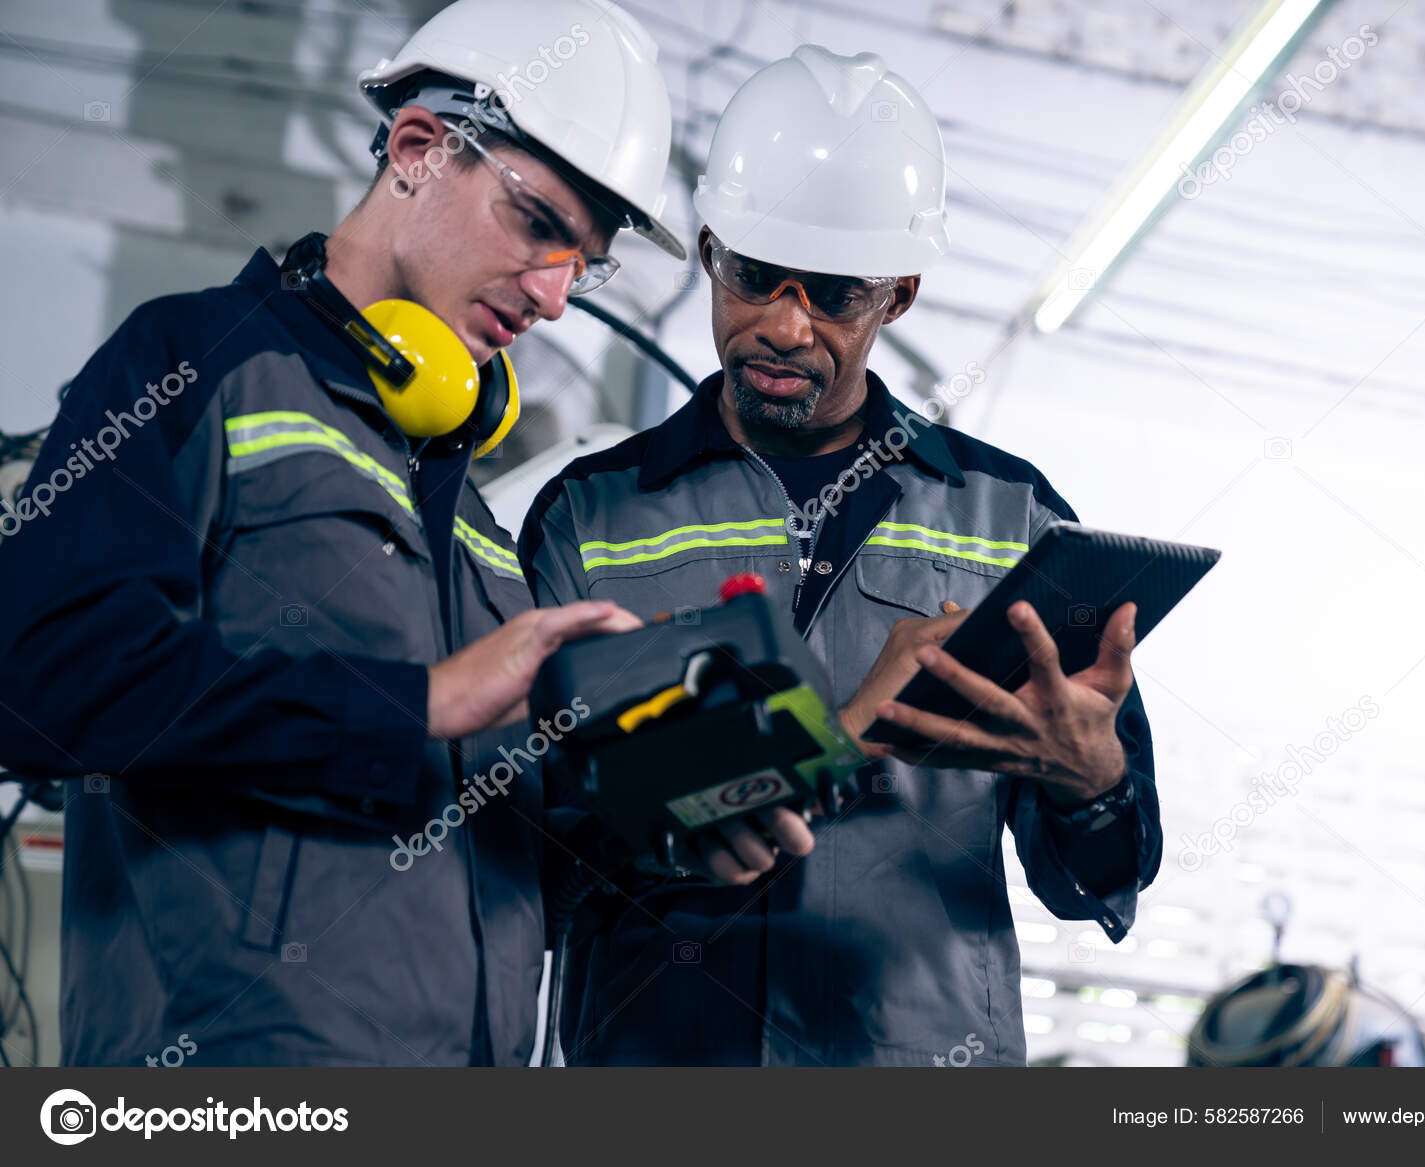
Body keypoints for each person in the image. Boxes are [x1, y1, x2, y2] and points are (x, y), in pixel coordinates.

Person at [0, 0, 683, 1066]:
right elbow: (37, 679)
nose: (554, 298)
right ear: (417, 150)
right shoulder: (193, 364)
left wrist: (679, 813)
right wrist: (415, 704)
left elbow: (505, 850)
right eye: (539, 224)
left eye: (582, 263)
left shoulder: (483, 539)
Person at [519, 45, 1162, 1066]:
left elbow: (1094, 877)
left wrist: (1095, 785)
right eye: (754, 277)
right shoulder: (588, 520)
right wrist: (834, 738)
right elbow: (541, 846)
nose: (782, 324)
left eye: (831, 294)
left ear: (895, 296)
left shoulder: (1011, 522)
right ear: (707, 250)